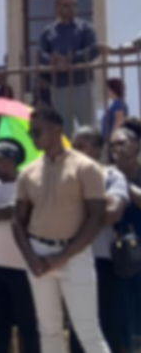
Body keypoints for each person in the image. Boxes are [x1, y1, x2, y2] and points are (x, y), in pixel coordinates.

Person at [13, 107, 109, 353]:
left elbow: (96, 218)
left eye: (38, 132)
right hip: (39, 256)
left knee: (88, 330)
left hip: (74, 255)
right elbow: (18, 221)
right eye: (30, 132)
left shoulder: (86, 168)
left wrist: (62, 257)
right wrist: (32, 258)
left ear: (56, 130)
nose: (33, 137)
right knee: (49, 330)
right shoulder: (28, 172)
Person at [71, 126, 130, 353]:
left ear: (97, 150)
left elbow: (114, 211)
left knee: (108, 328)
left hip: (102, 264)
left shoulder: (111, 176)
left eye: (82, 146)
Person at [0, 140, 40, 353]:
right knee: (0, 325)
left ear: (12, 161)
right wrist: (8, 211)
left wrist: (6, 212)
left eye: (0, 159)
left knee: (28, 324)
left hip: (21, 266)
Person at [39, 0, 99, 136]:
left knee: (88, 127)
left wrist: (70, 59)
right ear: (57, 7)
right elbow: (41, 54)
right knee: (63, 129)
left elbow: (93, 50)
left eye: (73, 5)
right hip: (59, 86)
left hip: (82, 83)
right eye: (66, 5)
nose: (71, 8)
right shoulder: (48, 32)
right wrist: (52, 60)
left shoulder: (85, 28)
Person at [103, 120, 141, 352]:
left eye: (122, 143)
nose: (117, 149)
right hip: (119, 259)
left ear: (136, 146)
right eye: (113, 145)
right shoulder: (106, 175)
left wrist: (123, 184)